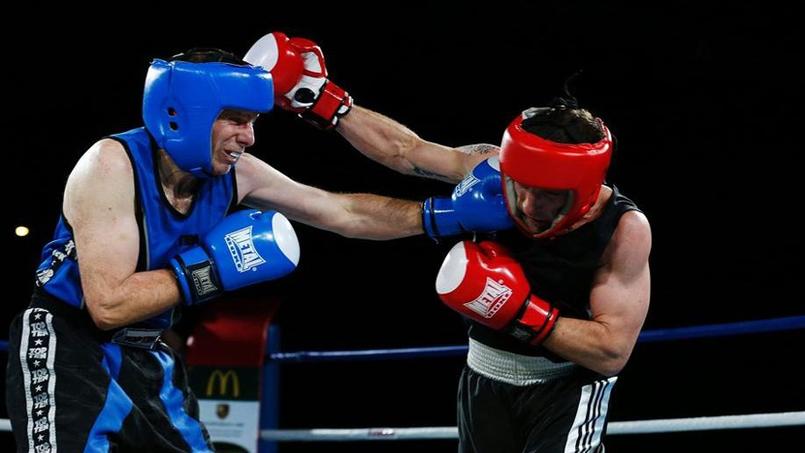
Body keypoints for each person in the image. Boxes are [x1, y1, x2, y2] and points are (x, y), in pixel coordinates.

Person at [5, 47, 507, 452]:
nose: (248, 137)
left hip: (147, 352)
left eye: (252, 121)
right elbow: (108, 305)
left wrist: (446, 215)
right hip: (69, 345)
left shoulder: (236, 174)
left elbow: (341, 212)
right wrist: (211, 268)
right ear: (184, 114)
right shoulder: (111, 164)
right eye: (236, 120)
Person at [247, 33, 652, 452]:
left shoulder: (622, 229)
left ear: (584, 189)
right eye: (521, 184)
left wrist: (518, 311)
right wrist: (322, 98)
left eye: (550, 194)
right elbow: (406, 151)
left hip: (565, 388)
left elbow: (612, 352)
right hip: (482, 380)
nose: (529, 205)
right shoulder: (489, 169)